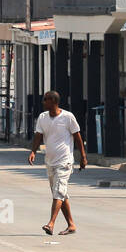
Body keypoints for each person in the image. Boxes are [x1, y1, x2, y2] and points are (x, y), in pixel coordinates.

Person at [28, 90, 87, 236]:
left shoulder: (68, 117)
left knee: (58, 192)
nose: (43, 102)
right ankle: (71, 225)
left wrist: (83, 156)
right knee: (61, 193)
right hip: (50, 162)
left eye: (45, 99)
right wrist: (33, 151)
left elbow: (77, 136)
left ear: (53, 102)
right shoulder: (42, 117)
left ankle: (51, 223)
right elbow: (38, 136)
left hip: (65, 161)